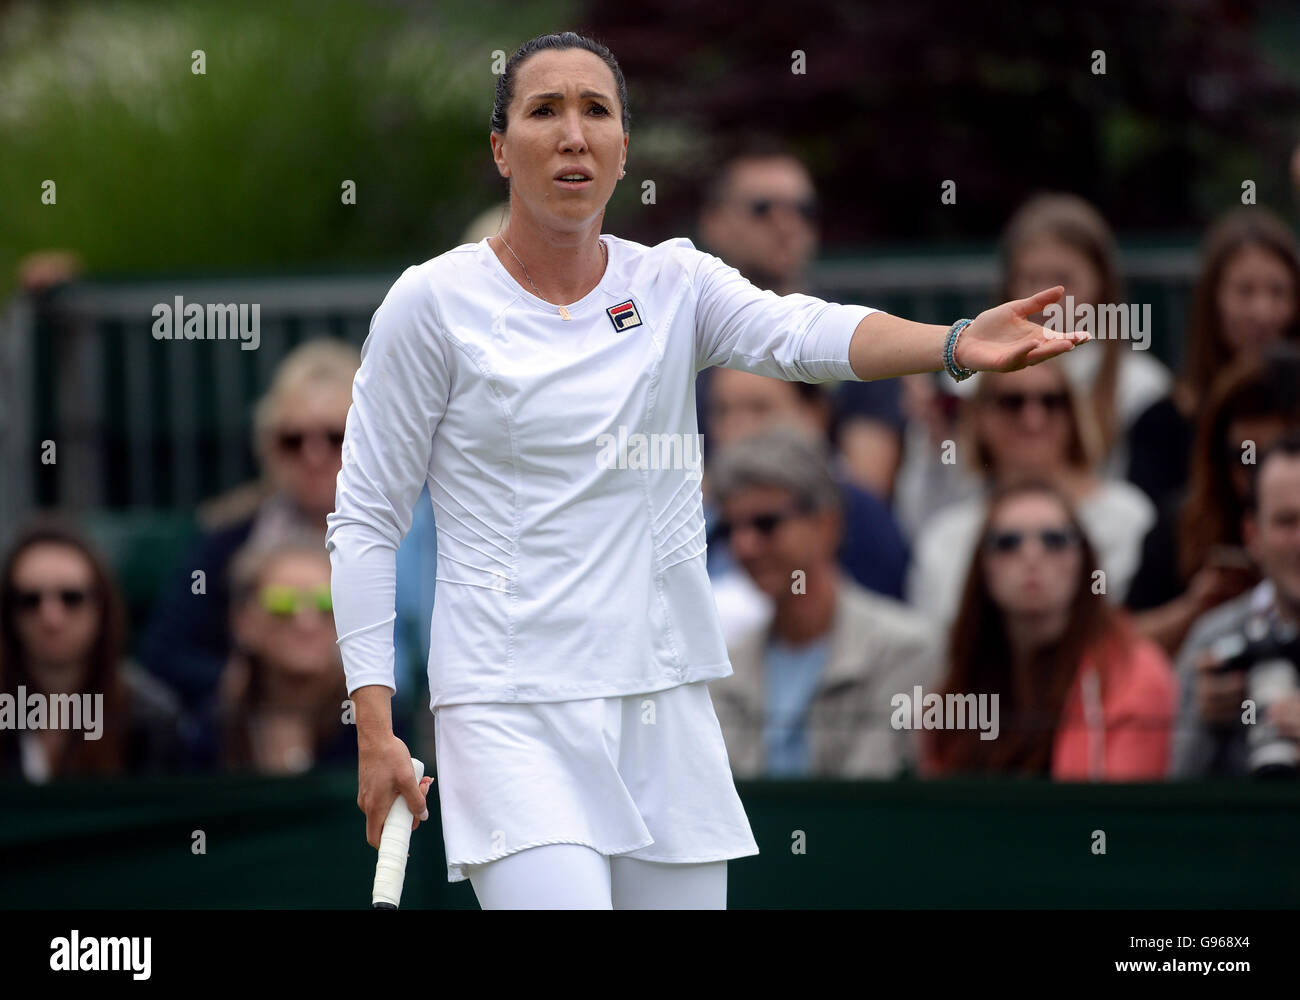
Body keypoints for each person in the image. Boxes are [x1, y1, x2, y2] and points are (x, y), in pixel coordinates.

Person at [327, 31, 1088, 911]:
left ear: (622, 152)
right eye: (544, 111)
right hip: (509, 709)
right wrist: (374, 726)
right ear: (501, 149)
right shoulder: (429, 304)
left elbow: (802, 332)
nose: (573, 134)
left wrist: (953, 344)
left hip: (664, 700)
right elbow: (366, 522)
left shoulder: (674, 283)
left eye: (596, 111)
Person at [706, 428, 940, 779]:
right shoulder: (726, 671)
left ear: (827, 523)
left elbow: (868, 798)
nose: (744, 546)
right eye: (730, 529)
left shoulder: (906, 650)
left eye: (765, 524)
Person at [920, 480, 1175, 780]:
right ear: (983, 567)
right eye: (1007, 542)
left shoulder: (1135, 673)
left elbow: (1119, 817)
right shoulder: (957, 683)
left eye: (1055, 540)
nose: (1032, 555)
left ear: (1083, 560)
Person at [696, 137, 905, 501]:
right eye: (762, 208)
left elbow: (864, 497)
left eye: (803, 208)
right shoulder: (672, 339)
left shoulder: (859, 333)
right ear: (713, 222)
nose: (786, 222)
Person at [907, 359, 1154, 625]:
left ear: (1073, 413)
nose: (1033, 420)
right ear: (979, 416)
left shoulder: (1127, 517)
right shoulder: (945, 537)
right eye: (1013, 402)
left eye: (1051, 401)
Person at [1125, 345, 1300, 654]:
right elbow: (1118, 652)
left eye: (1280, 454)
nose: (1258, 476)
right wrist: (1194, 608)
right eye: (1244, 457)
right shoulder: (1180, 525)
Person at [1127, 208, 1300, 508]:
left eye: (1277, 291)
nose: (1262, 311)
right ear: (1213, 299)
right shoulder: (1164, 424)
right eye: (1245, 291)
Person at [0, 517, 185, 781]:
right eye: (29, 600)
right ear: (9, 613)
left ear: (101, 607)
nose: (51, 618)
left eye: (71, 598)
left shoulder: (148, 722)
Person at [1168, 433, 1300, 778]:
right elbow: (1176, 798)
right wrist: (1204, 720)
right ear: (1252, 535)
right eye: (1287, 521)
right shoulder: (1214, 640)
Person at [215, 535, 354, 774]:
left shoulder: (381, 726)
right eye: (282, 603)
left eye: (324, 603)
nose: (306, 622)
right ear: (243, 621)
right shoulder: (210, 732)